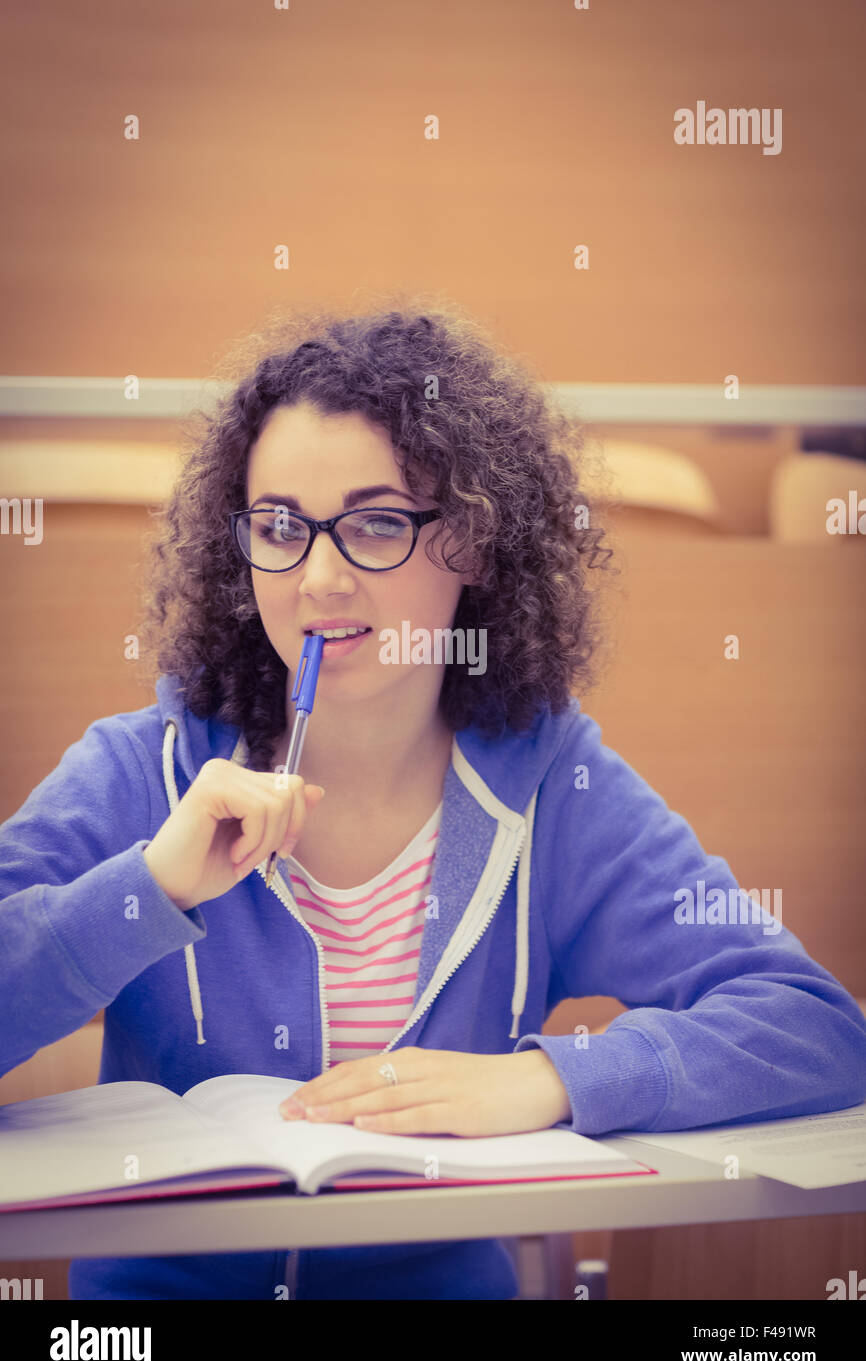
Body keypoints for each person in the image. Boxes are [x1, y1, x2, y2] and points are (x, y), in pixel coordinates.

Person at [1, 299, 865, 1301]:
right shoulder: (141, 769)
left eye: (373, 523)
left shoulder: (553, 786)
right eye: (278, 525)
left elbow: (813, 1024)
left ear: (473, 542)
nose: (318, 576)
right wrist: (147, 885)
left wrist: (550, 1079)